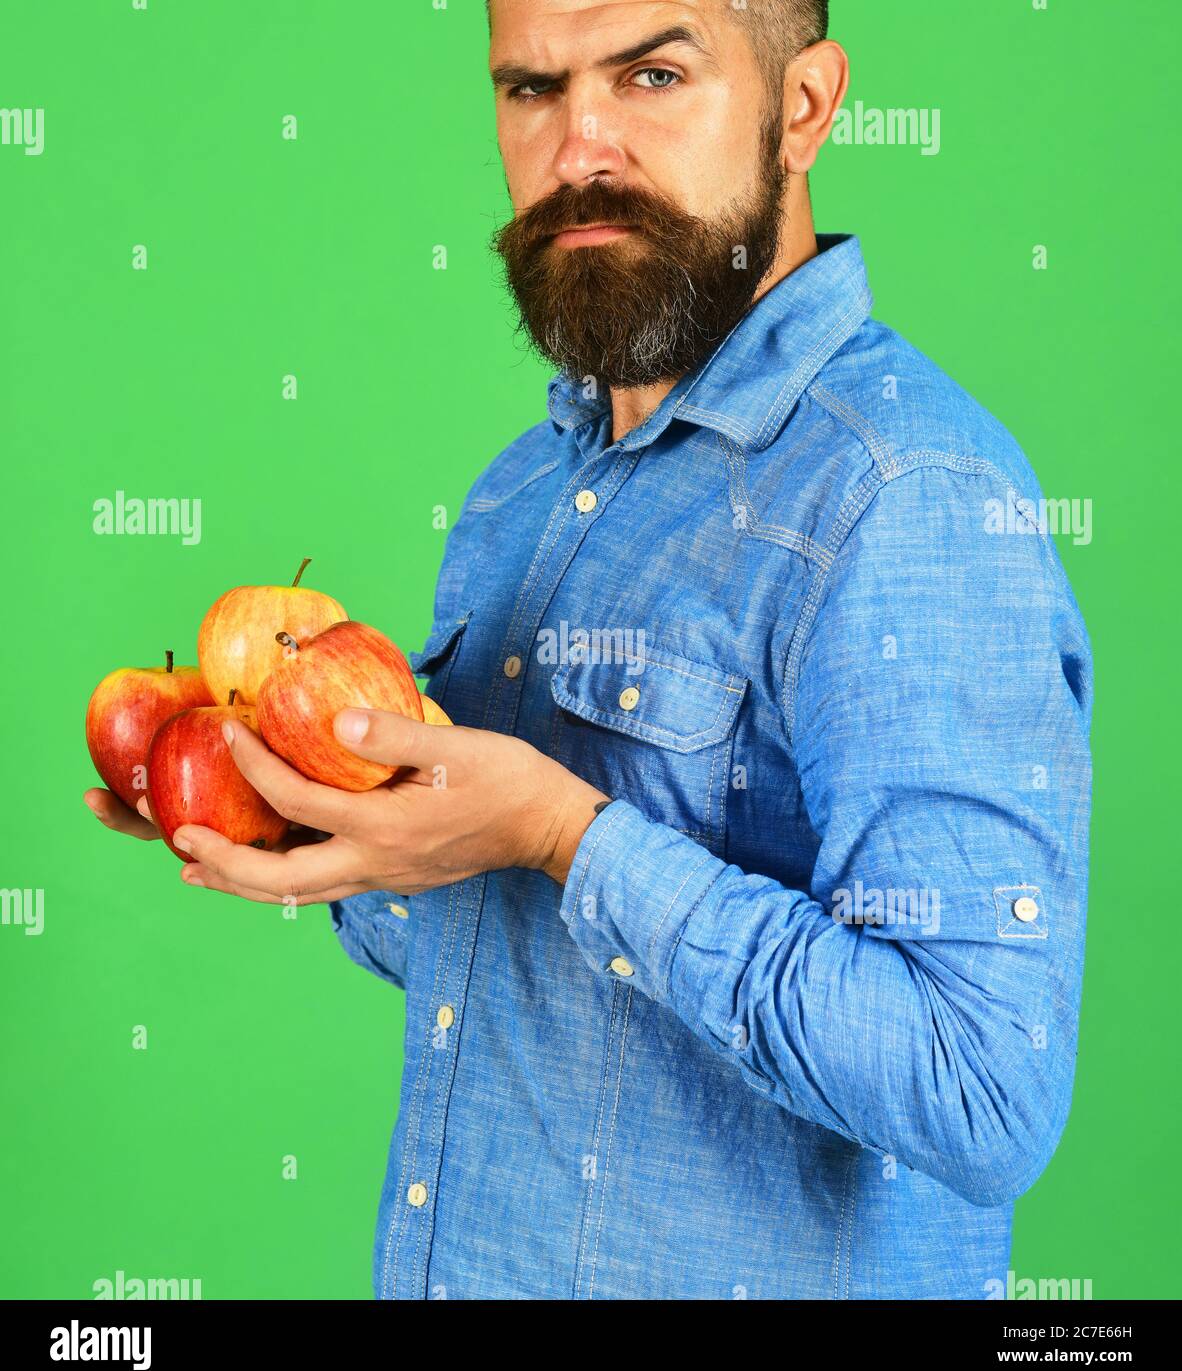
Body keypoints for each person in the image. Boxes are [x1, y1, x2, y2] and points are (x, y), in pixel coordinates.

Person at [86, 0, 1092, 1300]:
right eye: (530, 91)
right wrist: (296, 825)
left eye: (652, 75)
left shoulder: (904, 492)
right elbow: (526, 976)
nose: (579, 149)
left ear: (804, 105)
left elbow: (980, 1085)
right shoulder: (523, 493)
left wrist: (567, 832)